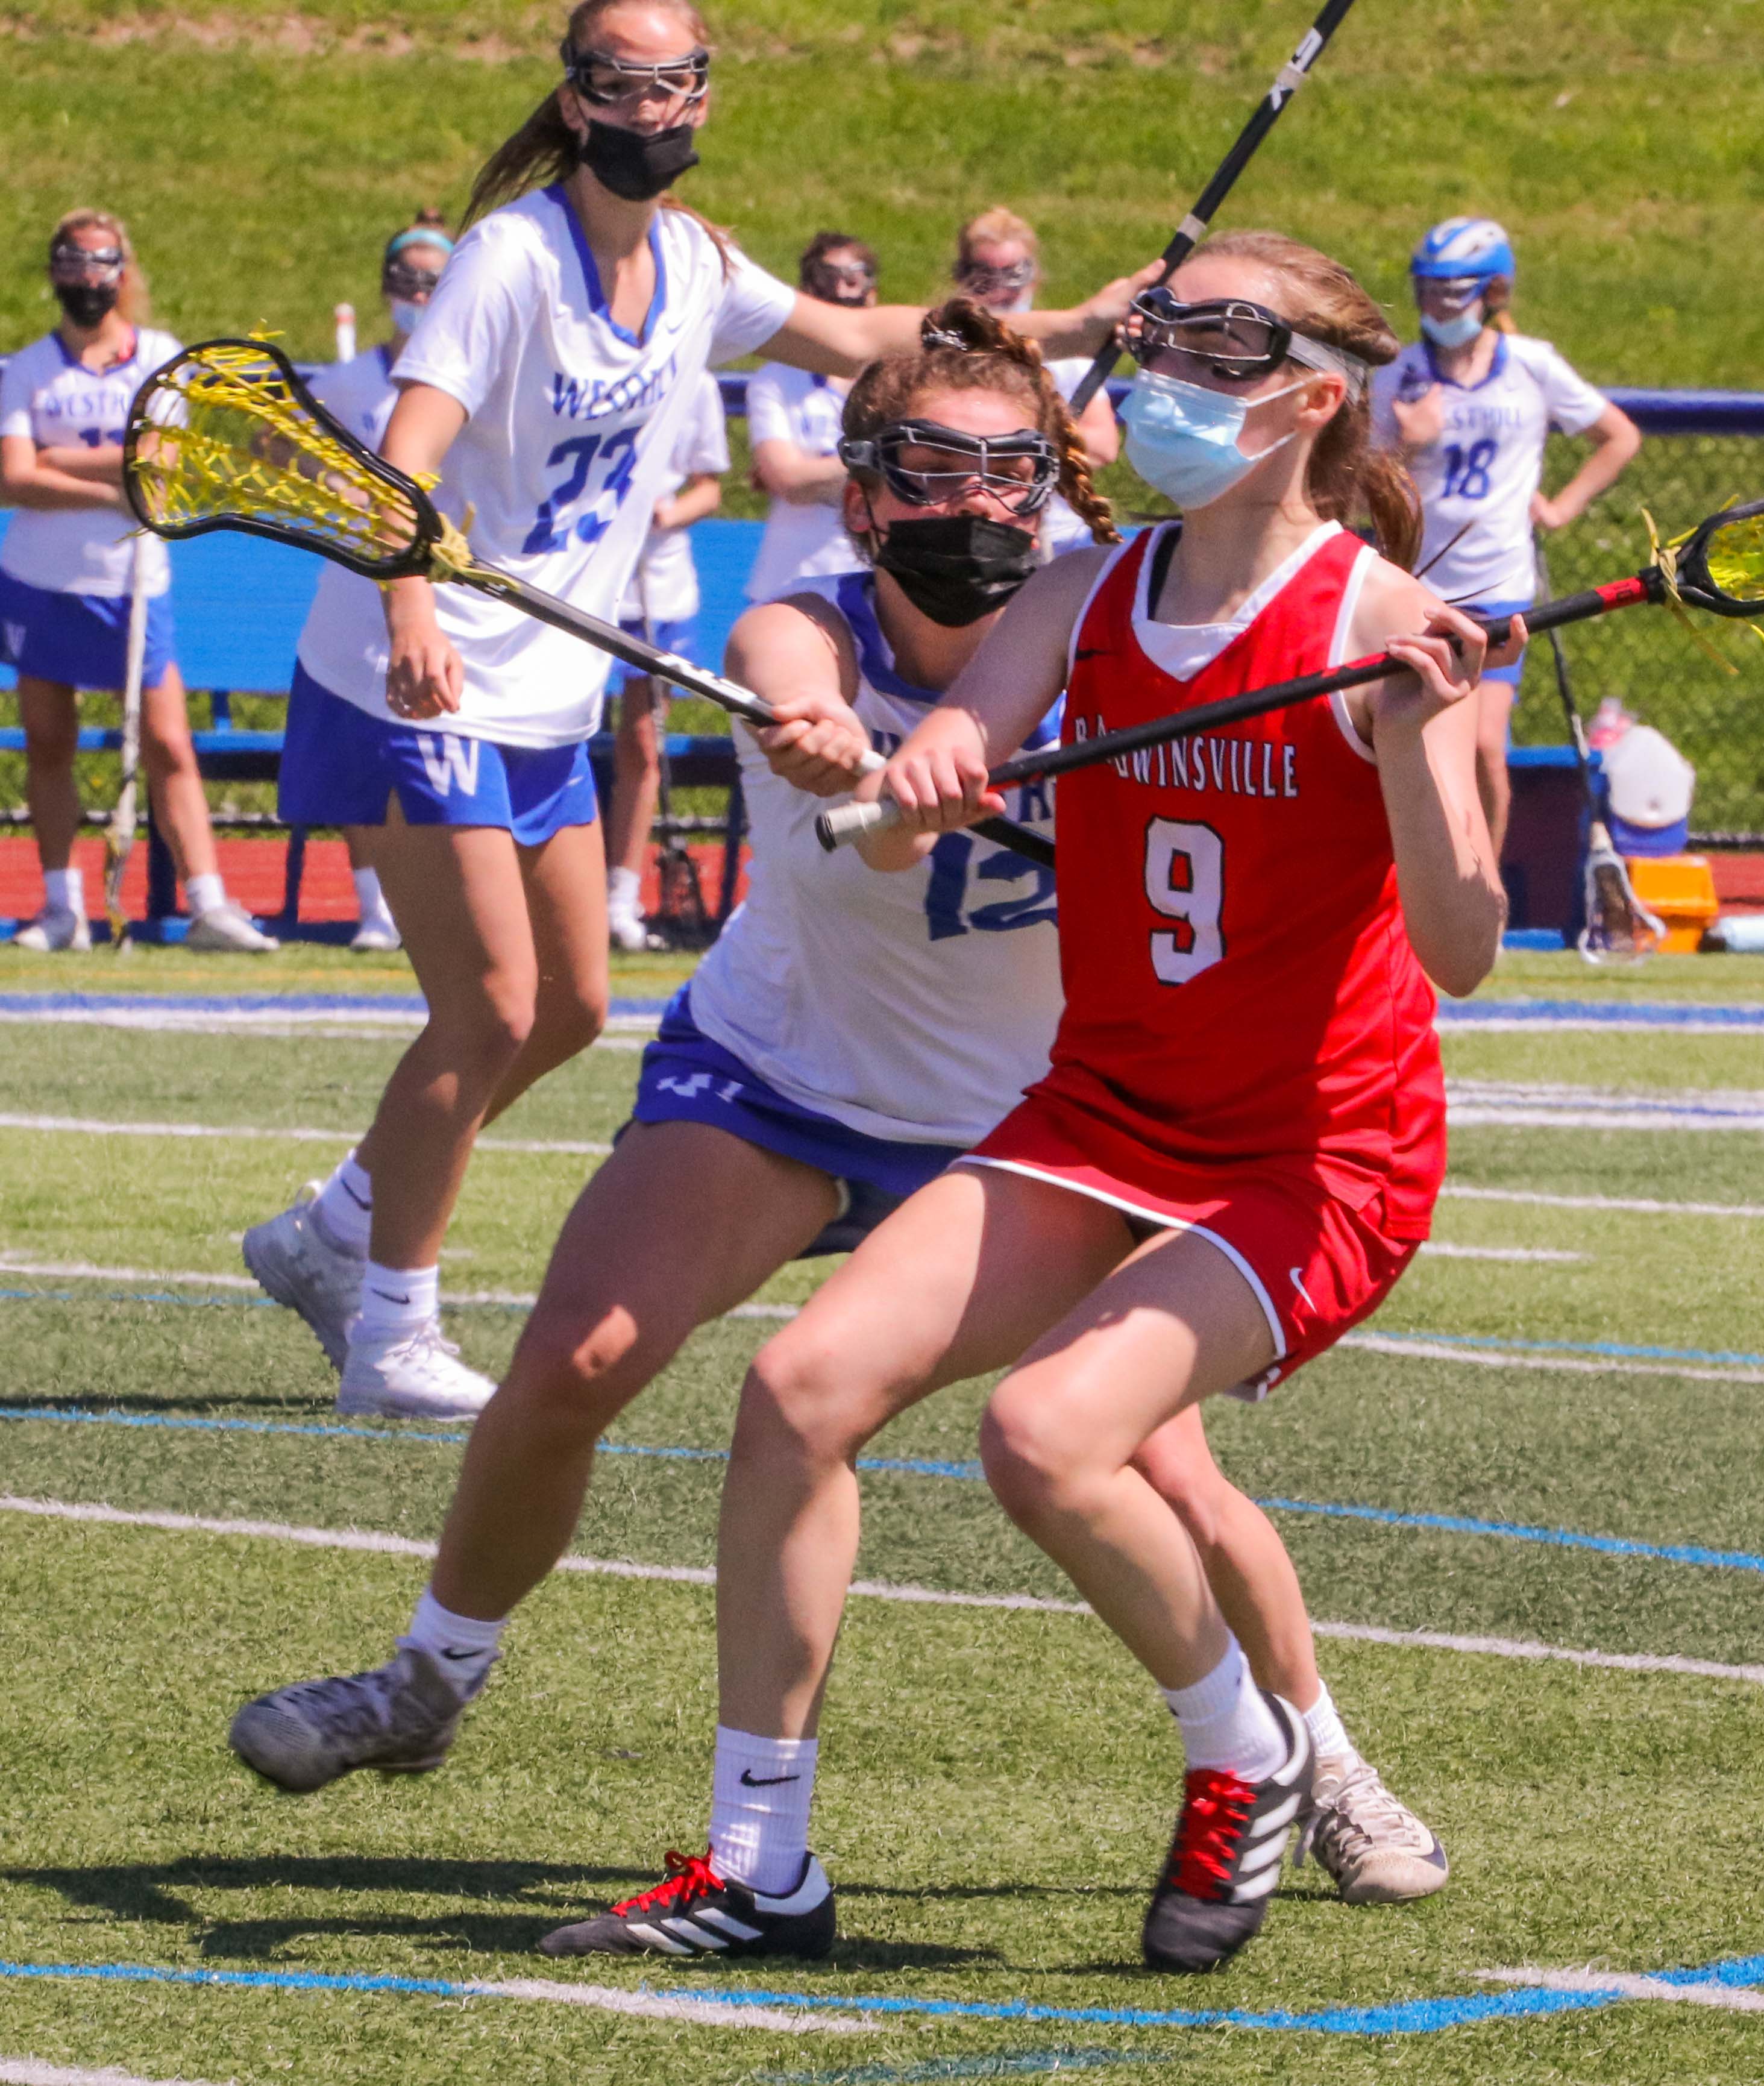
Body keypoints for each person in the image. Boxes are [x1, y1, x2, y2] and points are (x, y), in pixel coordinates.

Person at [226, 302, 1447, 1947]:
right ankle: (433, 1673)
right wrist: (853, 756)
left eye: (1003, 472)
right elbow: (838, 751)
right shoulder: (796, 621)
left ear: (1053, 485)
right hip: (786, 1074)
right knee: (577, 1360)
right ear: (863, 494)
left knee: (1148, 1455)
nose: (966, 504)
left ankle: (1321, 1758)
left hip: (1025, 1112)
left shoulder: (1115, 623)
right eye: (924, 470)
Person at [677, 230, 1508, 1976]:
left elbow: (1461, 949)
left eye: (1215, 346)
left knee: (1044, 1434)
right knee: (794, 1389)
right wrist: (893, 766)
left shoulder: (1372, 619)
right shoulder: (1079, 596)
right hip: (1103, 1105)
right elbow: (913, 817)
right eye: (1155, 336)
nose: (1161, 375)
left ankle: (1246, 1747)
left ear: (1307, 400)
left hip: (1309, 1152)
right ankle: (760, 1859)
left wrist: (1419, 738)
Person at [235, 0, 1149, 1425]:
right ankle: (388, 1323)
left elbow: (861, 333)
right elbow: (399, 450)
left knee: (572, 1009)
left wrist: (1079, 323)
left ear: (703, 97)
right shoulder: (510, 259)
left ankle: (334, 1228)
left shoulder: (692, 264)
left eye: (679, 84)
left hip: (542, 682)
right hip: (412, 665)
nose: (655, 111)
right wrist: (406, 602)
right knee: (488, 1007)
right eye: (624, 84)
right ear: (579, 95)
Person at [0, 211, 278, 954]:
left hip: (133, 583)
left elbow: (156, 461)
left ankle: (209, 903)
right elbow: (12, 478)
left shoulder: (160, 359)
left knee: (168, 742)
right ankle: (63, 909)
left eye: (100, 263)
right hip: (42, 580)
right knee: (49, 743)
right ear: (54, 273)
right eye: (72, 263)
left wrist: (62, 458)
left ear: (121, 271)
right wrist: (106, 481)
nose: (86, 280)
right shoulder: (27, 370)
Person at [1373, 216, 1639, 853]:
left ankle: (1481, 890)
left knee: (1486, 745)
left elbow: (1617, 435)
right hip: (1414, 587)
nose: (1437, 305)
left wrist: (1563, 505)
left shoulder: (1531, 366)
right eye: (1428, 290)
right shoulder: (1394, 376)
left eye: (1452, 291)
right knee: (1413, 741)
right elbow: (1358, 487)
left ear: (1492, 294)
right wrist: (1405, 448)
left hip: (1497, 586)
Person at [303, 210, 457, 953]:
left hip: (442, 590)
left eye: (433, 280)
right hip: (357, 583)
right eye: (406, 279)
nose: (418, 294)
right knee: (364, 747)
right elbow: (310, 473)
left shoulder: (474, 383)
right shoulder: (345, 380)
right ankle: (374, 907)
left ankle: (441, 900)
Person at [604, 365, 727, 951]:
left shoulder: (695, 381)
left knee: (642, 742)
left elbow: (707, 486)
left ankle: (618, 900)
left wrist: (664, 515)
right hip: (578, 583)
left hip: (658, 587)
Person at [952, 208, 1121, 553]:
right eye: (984, 277)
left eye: (1013, 274)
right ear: (961, 276)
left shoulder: (1070, 359)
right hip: (965, 530)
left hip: (1057, 537)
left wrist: (1013, 443)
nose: (1000, 291)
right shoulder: (943, 357)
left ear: (1034, 278)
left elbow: (1104, 445)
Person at [740, 232, 876, 605]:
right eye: (825, 295)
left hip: (875, 584)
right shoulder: (775, 380)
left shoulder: (901, 386)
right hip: (790, 583)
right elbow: (788, 480)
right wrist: (880, 465)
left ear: (873, 296)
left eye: (852, 285)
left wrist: (821, 473)